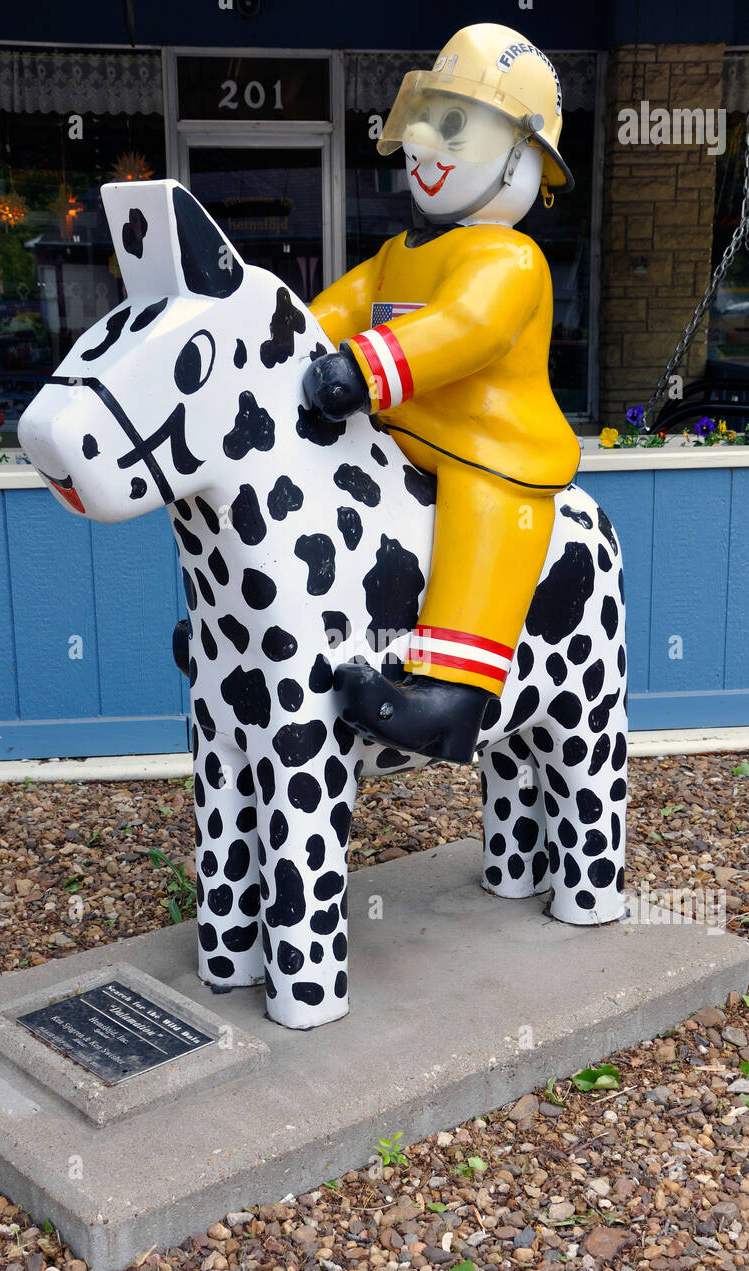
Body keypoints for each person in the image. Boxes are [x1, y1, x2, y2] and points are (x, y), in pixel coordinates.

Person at [304, 23, 580, 763]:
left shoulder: (510, 258)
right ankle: (268, 629)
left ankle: (450, 697)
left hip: (483, 440)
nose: (426, 148)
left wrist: (360, 368)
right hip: (395, 429)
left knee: (484, 508)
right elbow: (332, 311)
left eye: (455, 127)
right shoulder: (398, 254)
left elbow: (467, 327)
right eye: (426, 122)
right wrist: (284, 340)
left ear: (523, 153)